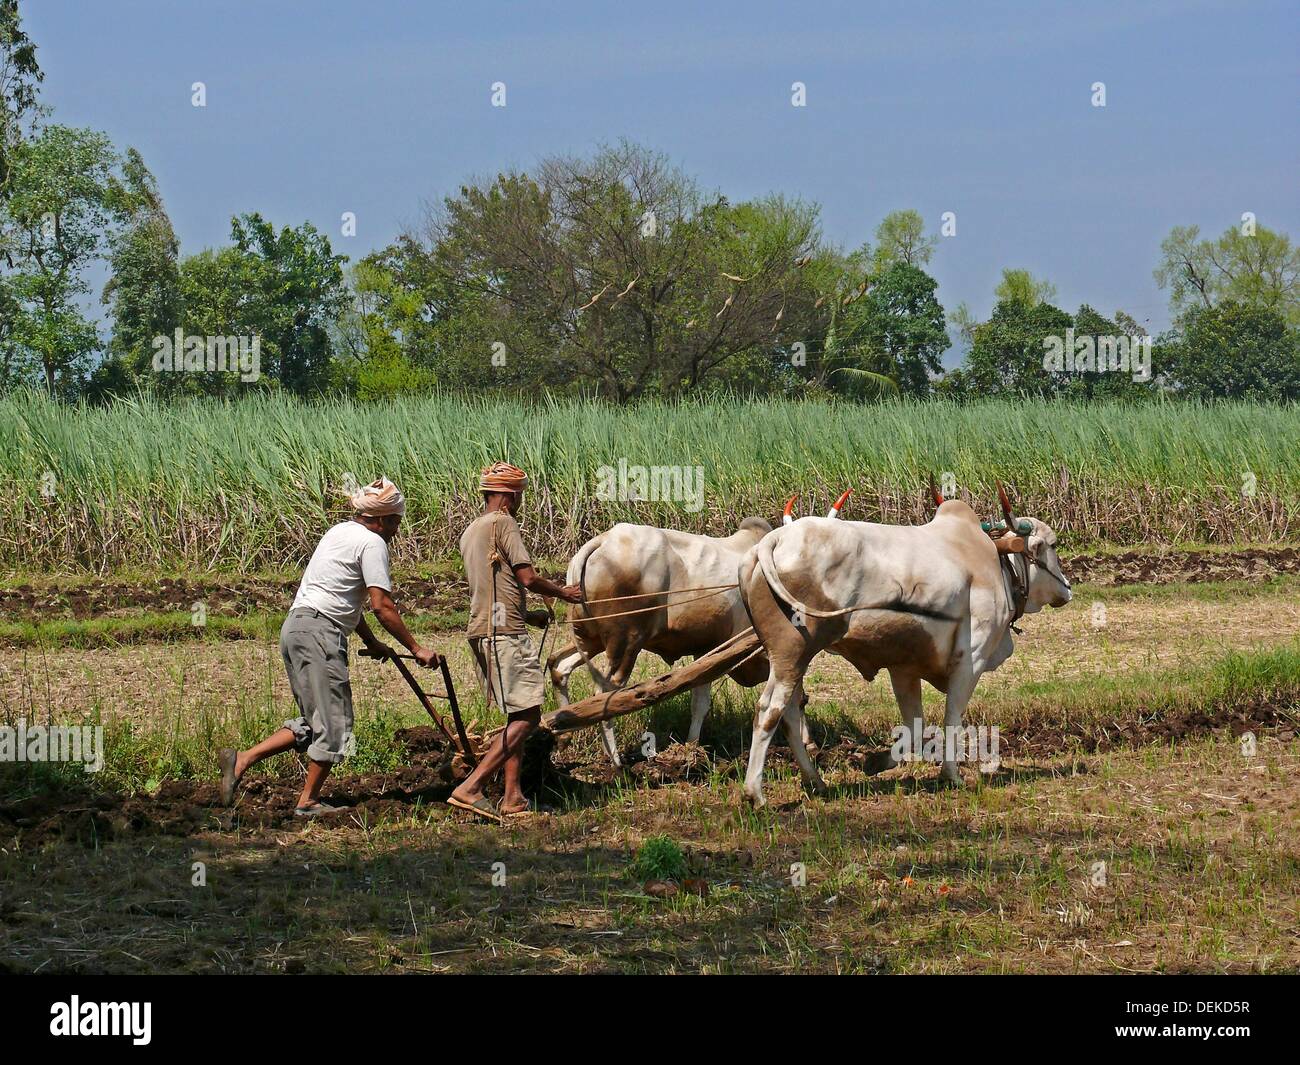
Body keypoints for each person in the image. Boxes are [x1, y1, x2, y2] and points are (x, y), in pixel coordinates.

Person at [218, 476, 441, 817]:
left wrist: (371, 641)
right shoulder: (372, 543)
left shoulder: (339, 532)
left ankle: (243, 760)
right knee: (336, 723)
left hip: (297, 627)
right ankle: (307, 803)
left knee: (316, 719)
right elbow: (381, 605)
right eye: (395, 521)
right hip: (320, 634)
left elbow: (344, 599)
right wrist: (416, 648)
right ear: (380, 519)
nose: (397, 528)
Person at [448, 462, 582, 821]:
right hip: (504, 636)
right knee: (529, 715)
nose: (520, 502)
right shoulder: (503, 523)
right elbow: (527, 577)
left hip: (484, 630)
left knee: (515, 716)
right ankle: (472, 786)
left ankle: (513, 798)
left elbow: (492, 588)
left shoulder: (471, 531)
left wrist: (529, 616)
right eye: (519, 495)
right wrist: (563, 593)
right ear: (508, 496)